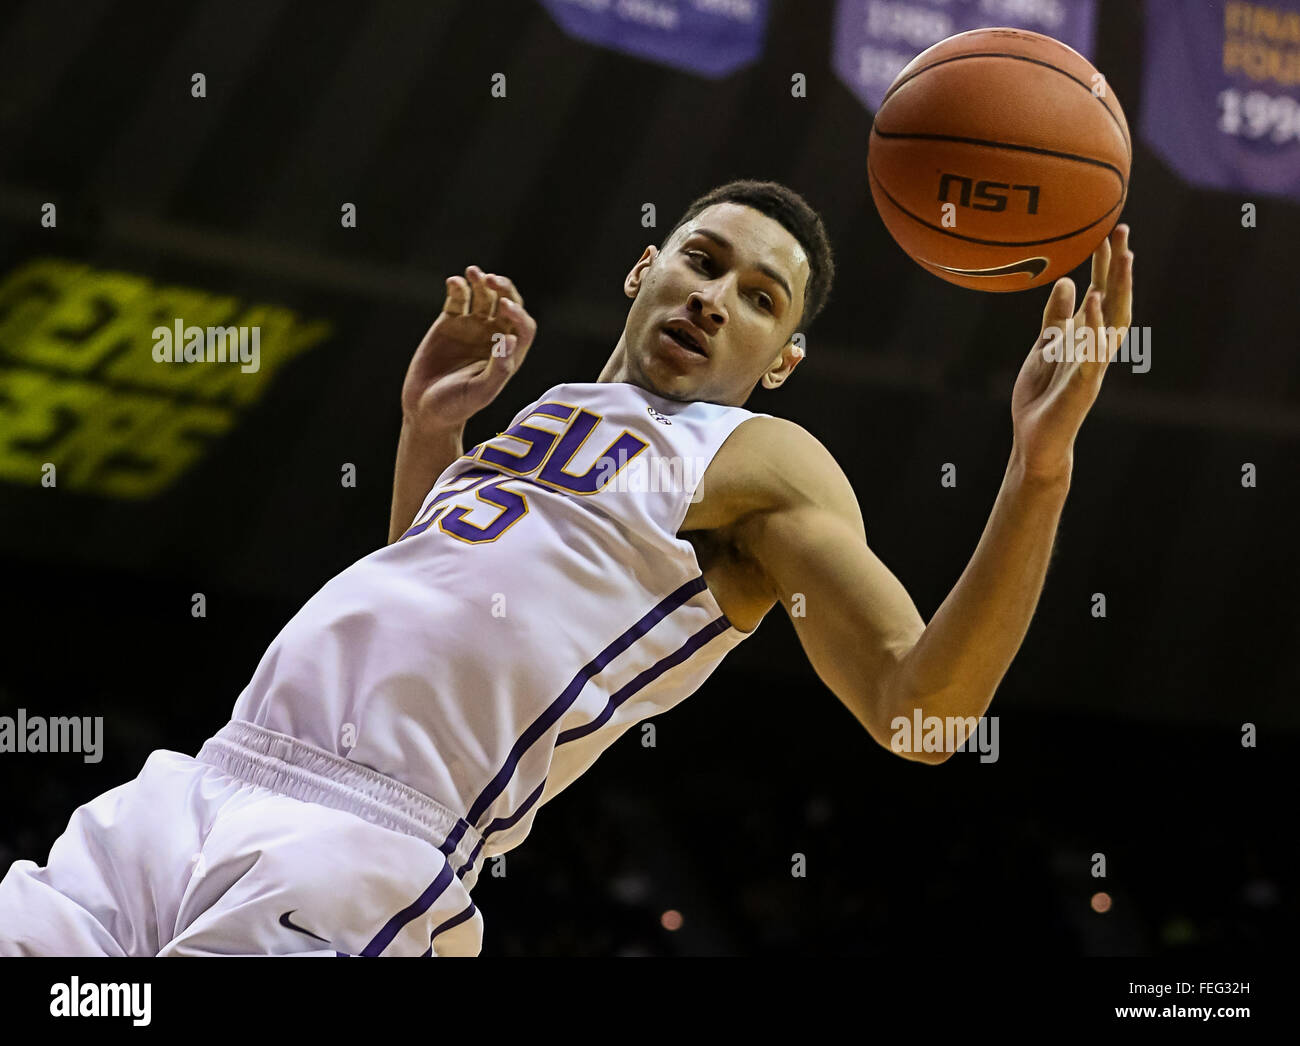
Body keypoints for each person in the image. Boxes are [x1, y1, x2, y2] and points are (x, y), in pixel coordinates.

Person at [0, 179, 1133, 956]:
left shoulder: (756, 461)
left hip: (363, 842)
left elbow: (918, 712)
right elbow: (432, 595)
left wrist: (1039, 470)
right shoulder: (545, 411)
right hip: (200, 782)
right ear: (645, 267)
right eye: (702, 260)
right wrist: (427, 432)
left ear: (783, 360)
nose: (713, 296)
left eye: (758, 298)